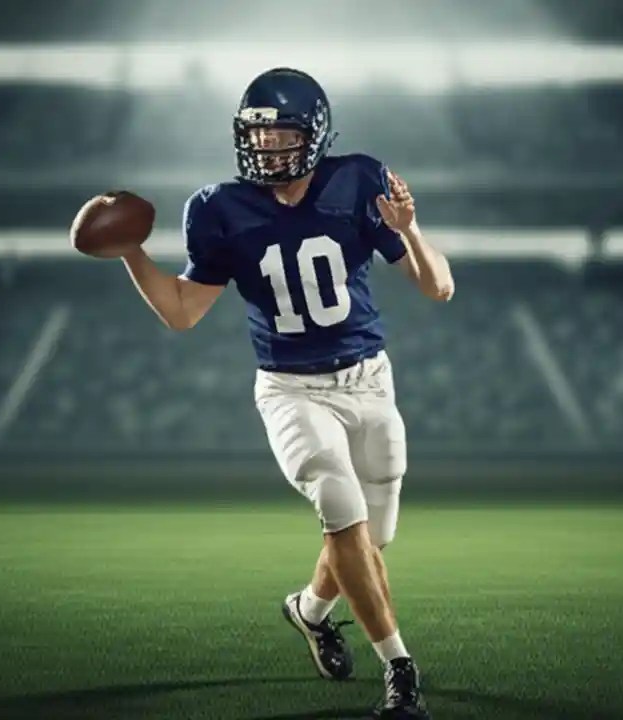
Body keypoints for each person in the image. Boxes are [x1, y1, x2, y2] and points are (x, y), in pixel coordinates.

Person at [118, 67, 453, 719]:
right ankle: (401, 671)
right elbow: (184, 311)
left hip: (368, 379)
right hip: (291, 388)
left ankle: (309, 610)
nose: (267, 148)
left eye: (281, 135)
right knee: (339, 503)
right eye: (257, 136)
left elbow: (438, 286)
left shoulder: (358, 180)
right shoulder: (217, 208)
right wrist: (133, 253)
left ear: (317, 132)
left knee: (369, 534)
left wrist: (409, 228)